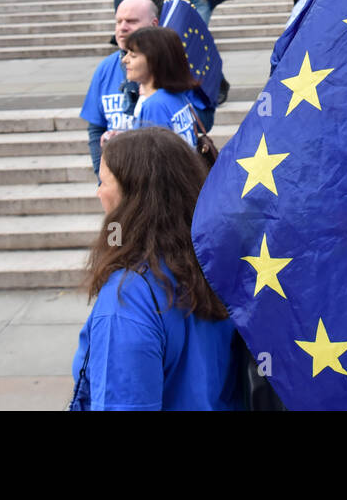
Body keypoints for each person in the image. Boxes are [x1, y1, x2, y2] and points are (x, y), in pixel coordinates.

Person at [72, 127, 240, 410]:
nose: (98, 192)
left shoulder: (127, 300)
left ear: (132, 197)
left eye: (102, 182)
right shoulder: (220, 265)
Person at [81, 0, 158, 175]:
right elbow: (95, 128)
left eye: (131, 21)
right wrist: (103, 178)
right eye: (118, 21)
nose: (122, 28)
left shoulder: (171, 68)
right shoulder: (105, 69)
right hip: (119, 180)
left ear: (154, 24)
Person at [120, 26, 210, 136]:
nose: (124, 60)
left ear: (154, 60)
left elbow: (151, 151)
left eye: (133, 55)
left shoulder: (155, 106)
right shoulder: (177, 95)